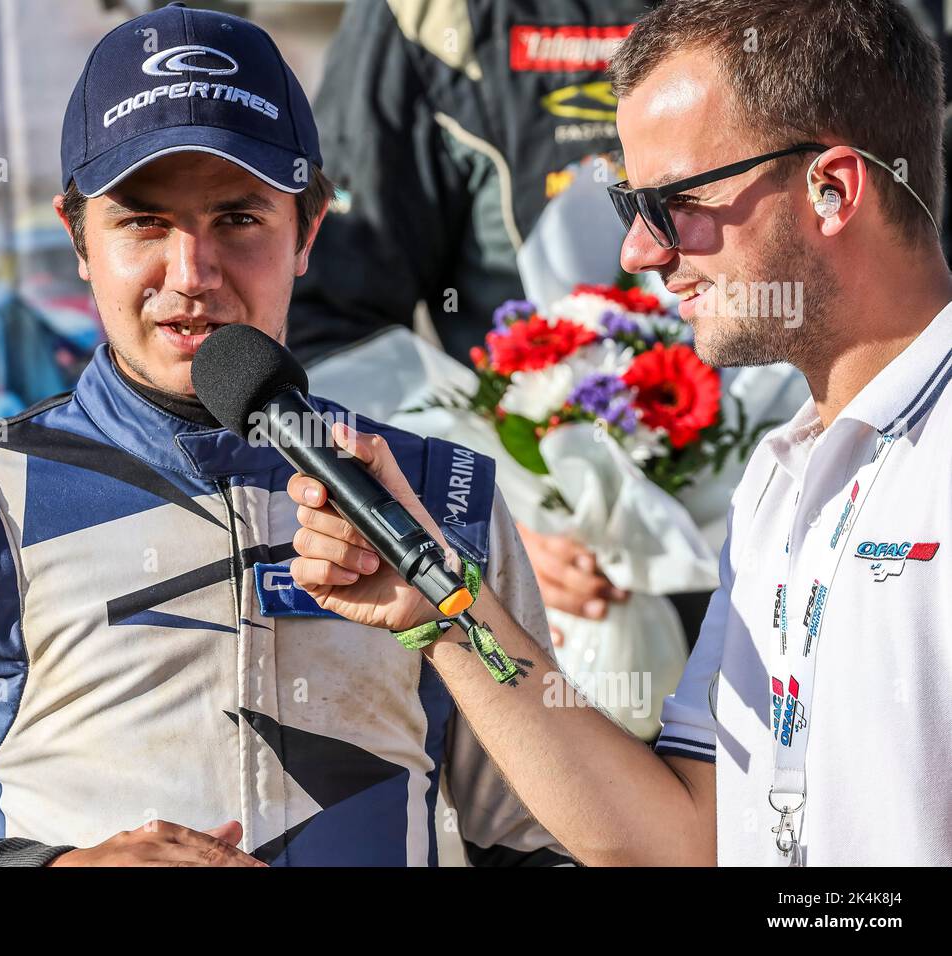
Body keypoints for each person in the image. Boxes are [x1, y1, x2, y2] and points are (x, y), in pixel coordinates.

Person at [0, 2, 567, 867]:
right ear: (78, 238)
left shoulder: (439, 494)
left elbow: (545, 843)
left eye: (239, 220)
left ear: (309, 228)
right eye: (143, 222)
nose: (191, 275)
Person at [287, 0, 952, 865]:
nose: (637, 251)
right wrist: (447, 610)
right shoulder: (781, 476)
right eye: (627, 204)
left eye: (673, 201)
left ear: (833, 189)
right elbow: (680, 838)